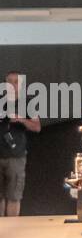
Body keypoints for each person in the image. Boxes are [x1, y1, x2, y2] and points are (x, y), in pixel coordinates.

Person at [0, 71, 40, 217]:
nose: (12, 85)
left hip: (15, 156)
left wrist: (21, 119)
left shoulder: (28, 103)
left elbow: (37, 127)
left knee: (13, 196)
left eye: (16, 82)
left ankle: (11, 229)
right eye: (9, 81)